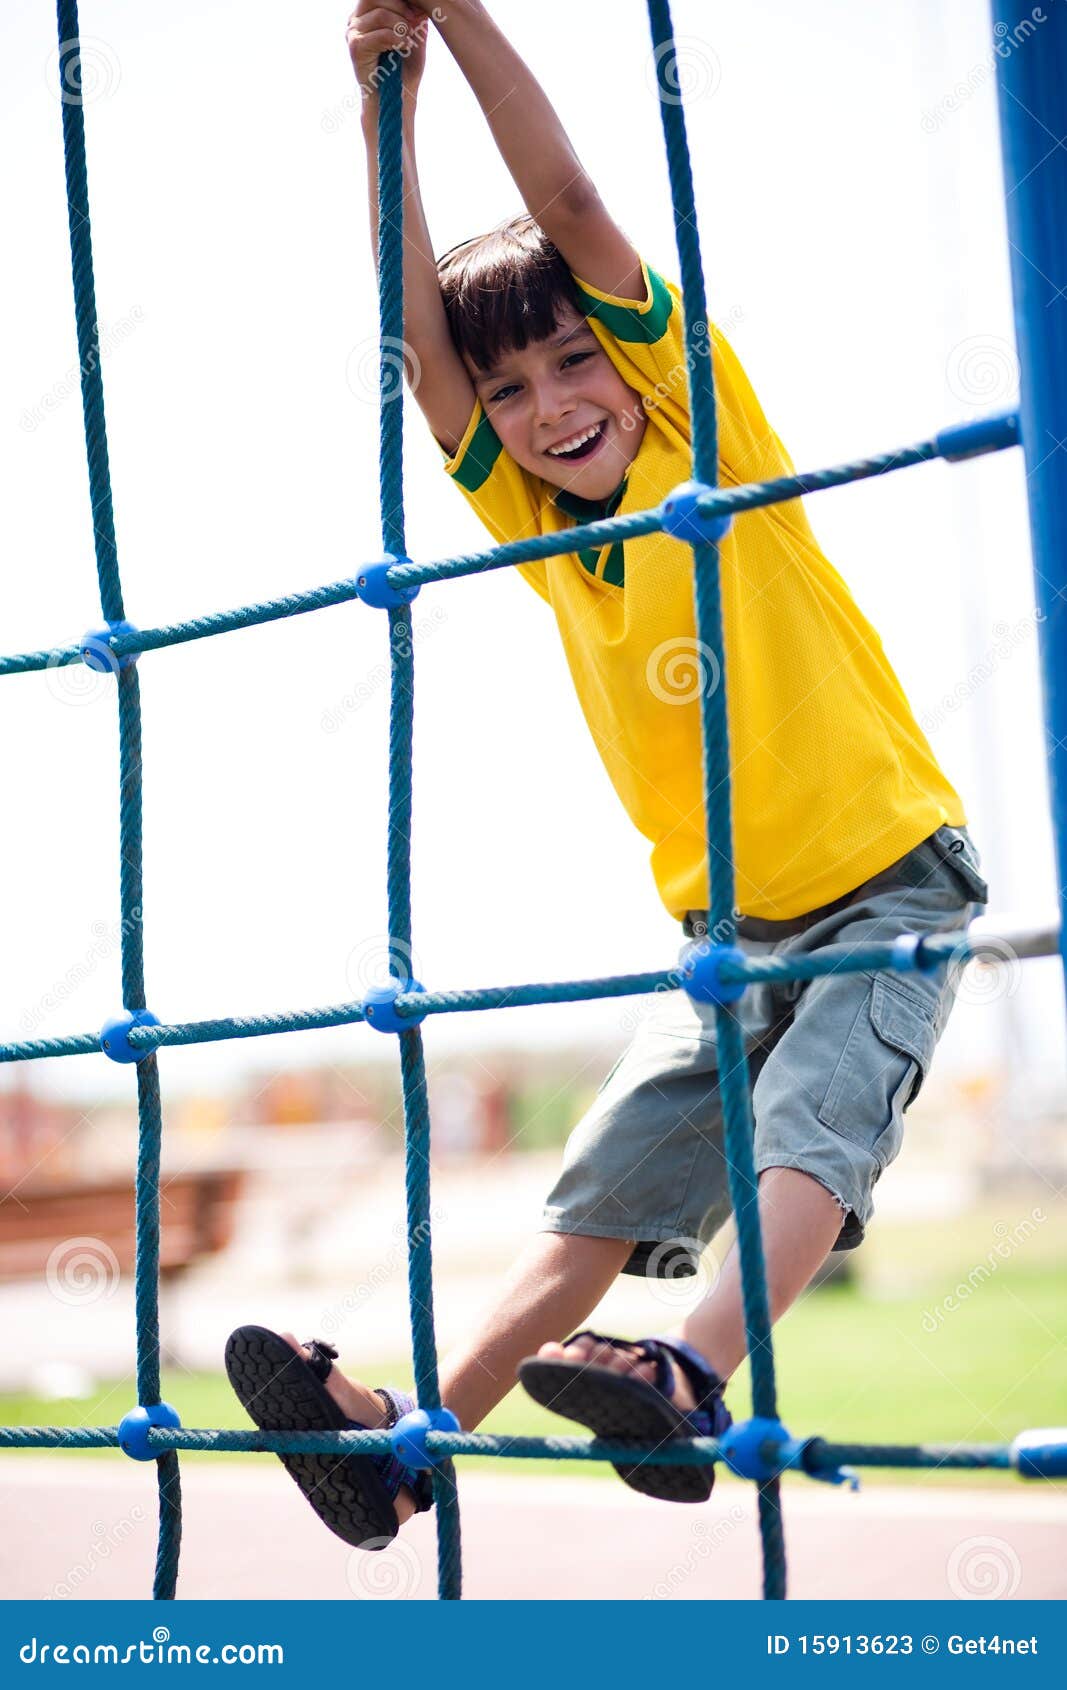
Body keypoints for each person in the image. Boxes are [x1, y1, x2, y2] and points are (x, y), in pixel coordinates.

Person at [224, 0, 990, 1546]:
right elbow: (415, 339)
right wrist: (387, 103)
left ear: (632, 355)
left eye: (577, 360)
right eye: (513, 393)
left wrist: (456, 19)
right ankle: (406, 1440)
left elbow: (570, 212)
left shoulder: (701, 440)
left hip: (885, 878)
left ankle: (695, 1372)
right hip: (724, 935)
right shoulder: (544, 533)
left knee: (816, 1129)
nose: (551, 404)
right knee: (594, 1197)